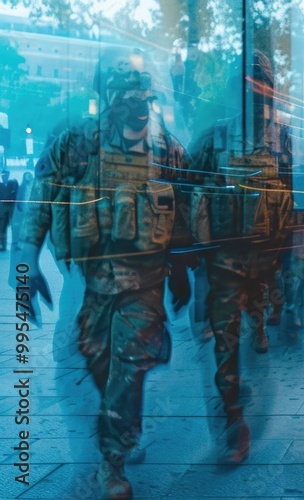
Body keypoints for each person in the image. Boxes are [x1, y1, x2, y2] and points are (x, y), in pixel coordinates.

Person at [12, 48, 192, 498]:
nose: (135, 102)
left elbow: (186, 209)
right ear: (106, 96)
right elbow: (39, 203)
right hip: (86, 278)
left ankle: (111, 464)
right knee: (91, 357)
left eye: (141, 91)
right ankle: (116, 429)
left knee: (128, 364)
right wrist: (25, 267)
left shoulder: (165, 148)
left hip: (144, 280)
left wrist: (186, 271)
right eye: (124, 91)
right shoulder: (76, 142)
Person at [186, 50, 294, 463]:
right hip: (225, 265)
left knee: (255, 333)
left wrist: (291, 255)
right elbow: (185, 188)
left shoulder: (282, 140)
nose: (257, 96)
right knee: (226, 346)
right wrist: (190, 258)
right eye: (249, 87)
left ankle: (244, 404)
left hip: (267, 263)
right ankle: (234, 420)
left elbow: (296, 198)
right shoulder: (214, 139)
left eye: (263, 86)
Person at [0, 169, 18, 250]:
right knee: (2, 227)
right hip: (3, 208)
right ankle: (2, 244)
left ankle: (15, 244)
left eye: (6, 175)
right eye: (3, 175)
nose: (5, 176)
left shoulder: (13, 183)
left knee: (14, 226)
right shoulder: (0, 185)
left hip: (12, 207)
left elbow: (17, 193)